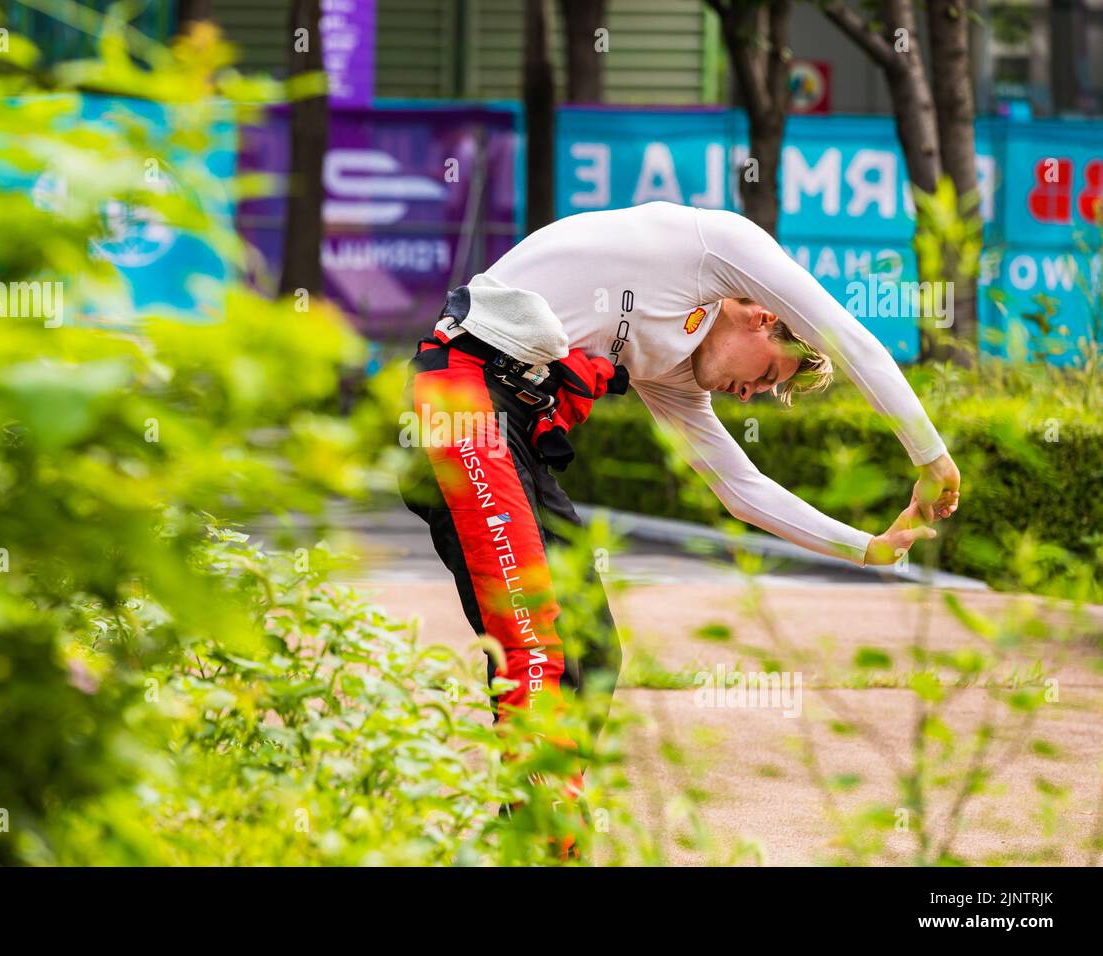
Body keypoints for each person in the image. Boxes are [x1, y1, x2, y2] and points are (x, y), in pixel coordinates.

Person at [398, 200, 961, 771]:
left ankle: (546, 838)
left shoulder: (670, 369)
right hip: (460, 400)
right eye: (766, 375)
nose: (748, 396)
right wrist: (931, 457)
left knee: (590, 653)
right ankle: (539, 845)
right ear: (762, 316)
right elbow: (848, 338)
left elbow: (742, 488)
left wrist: (867, 549)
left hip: (510, 427)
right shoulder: (713, 244)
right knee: (537, 647)